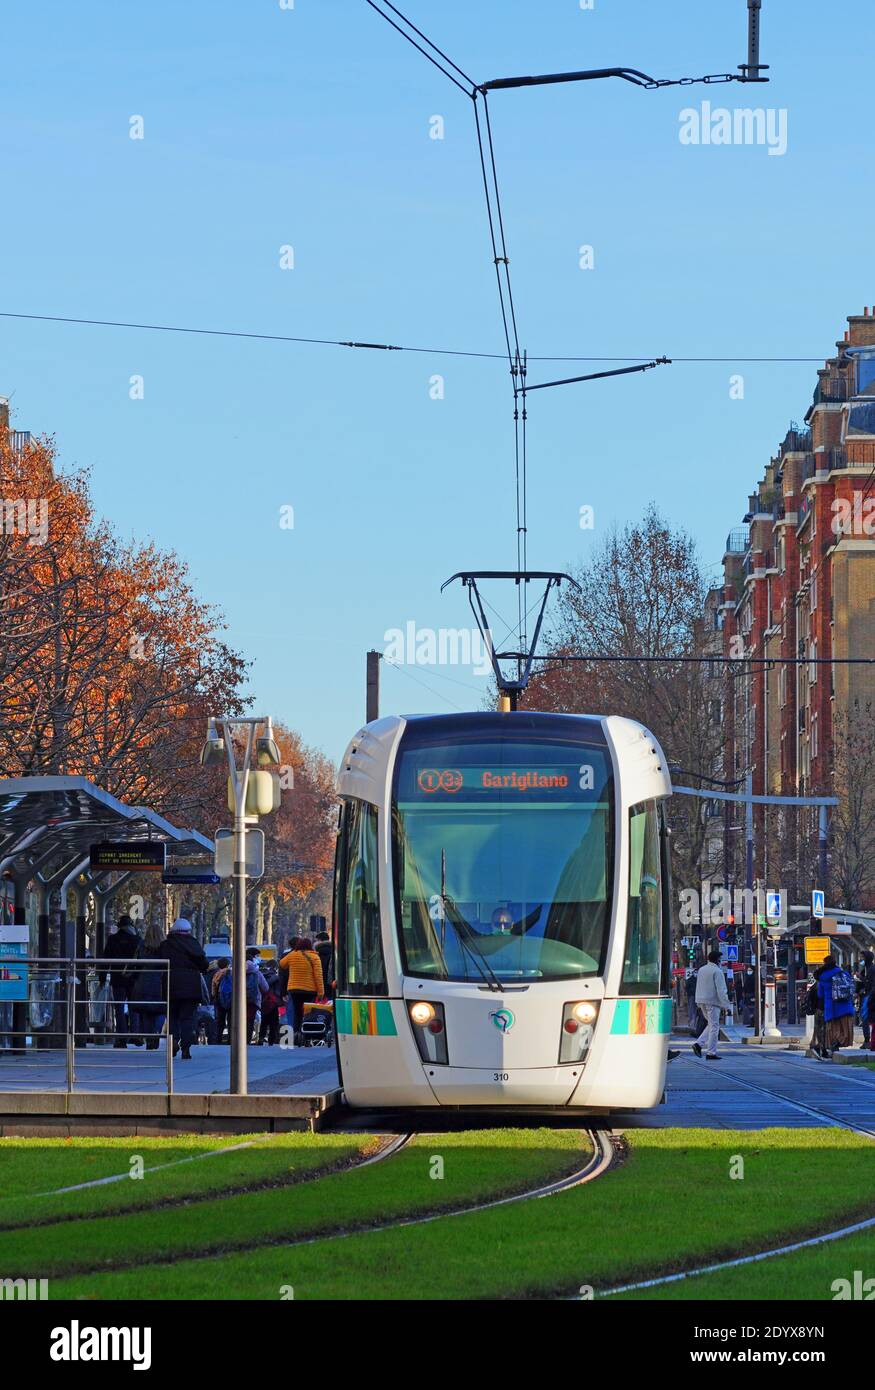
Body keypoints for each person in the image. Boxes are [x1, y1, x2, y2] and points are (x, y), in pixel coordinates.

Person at [157, 917, 208, 1060]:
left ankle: (173, 1040)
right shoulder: (194, 944)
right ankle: (186, 1048)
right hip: (191, 986)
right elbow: (204, 964)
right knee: (187, 1018)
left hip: (171, 984)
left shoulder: (166, 945)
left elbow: (159, 963)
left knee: (172, 1016)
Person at [103, 914, 142, 1048]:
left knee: (119, 1008)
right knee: (134, 1007)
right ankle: (135, 1035)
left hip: (117, 978)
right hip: (133, 978)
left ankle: (121, 1038)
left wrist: (102, 977)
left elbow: (106, 959)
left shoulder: (113, 939)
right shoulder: (137, 939)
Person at [127, 921, 167, 1049]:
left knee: (146, 1012)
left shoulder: (142, 946)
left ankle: (149, 1037)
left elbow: (136, 964)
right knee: (160, 1011)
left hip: (143, 982)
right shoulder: (165, 947)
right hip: (160, 983)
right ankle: (156, 1033)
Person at [279, 936, 324, 1046]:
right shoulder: (315, 957)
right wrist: (321, 992)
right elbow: (318, 976)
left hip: (294, 989)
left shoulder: (292, 955)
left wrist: (294, 952)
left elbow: (282, 964)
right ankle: (306, 1035)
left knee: (297, 1012)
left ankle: (296, 1034)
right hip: (310, 990)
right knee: (308, 1012)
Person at [692, 948, 732, 1060]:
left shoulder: (702, 969)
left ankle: (698, 1044)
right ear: (717, 960)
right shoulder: (717, 971)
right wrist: (726, 1005)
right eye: (720, 959)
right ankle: (711, 1052)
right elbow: (721, 990)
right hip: (712, 1002)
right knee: (714, 1027)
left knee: (711, 1024)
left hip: (701, 1001)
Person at [817, 953, 855, 1055]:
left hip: (830, 1007)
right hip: (844, 1006)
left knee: (833, 1028)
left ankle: (834, 1043)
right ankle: (839, 1042)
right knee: (844, 1029)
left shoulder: (823, 977)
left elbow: (820, 994)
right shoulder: (843, 973)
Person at [245, 947, 269, 1042]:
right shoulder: (256, 972)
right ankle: (247, 1040)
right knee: (250, 1020)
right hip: (252, 999)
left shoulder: (235, 970)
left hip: (238, 1000)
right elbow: (265, 987)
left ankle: (235, 1039)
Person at [854, 951, 875, 1050]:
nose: (860, 959)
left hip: (869, 996)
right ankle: (867, 1040)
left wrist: (860, 978)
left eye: (862, 957)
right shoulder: (864, 969)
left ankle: (868, 1040)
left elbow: (869, 983)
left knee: (865, 1017)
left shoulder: (872, 969)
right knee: (864, 1018)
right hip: (865, 995)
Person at [212, 957, 231, 1043]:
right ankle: (231, 1039)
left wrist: (215, 997)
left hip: (220, 1000)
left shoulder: (216, 974)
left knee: (220, 1021)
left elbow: (213, 989)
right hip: (231, 999)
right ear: (227, 965)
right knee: (231, 1021)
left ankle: (218, 1039)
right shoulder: (232, 973)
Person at [314, 930, 334, 999]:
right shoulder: (334, 950)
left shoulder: (316, 954)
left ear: (319, 940)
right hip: (331, 982)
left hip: (320, 982)